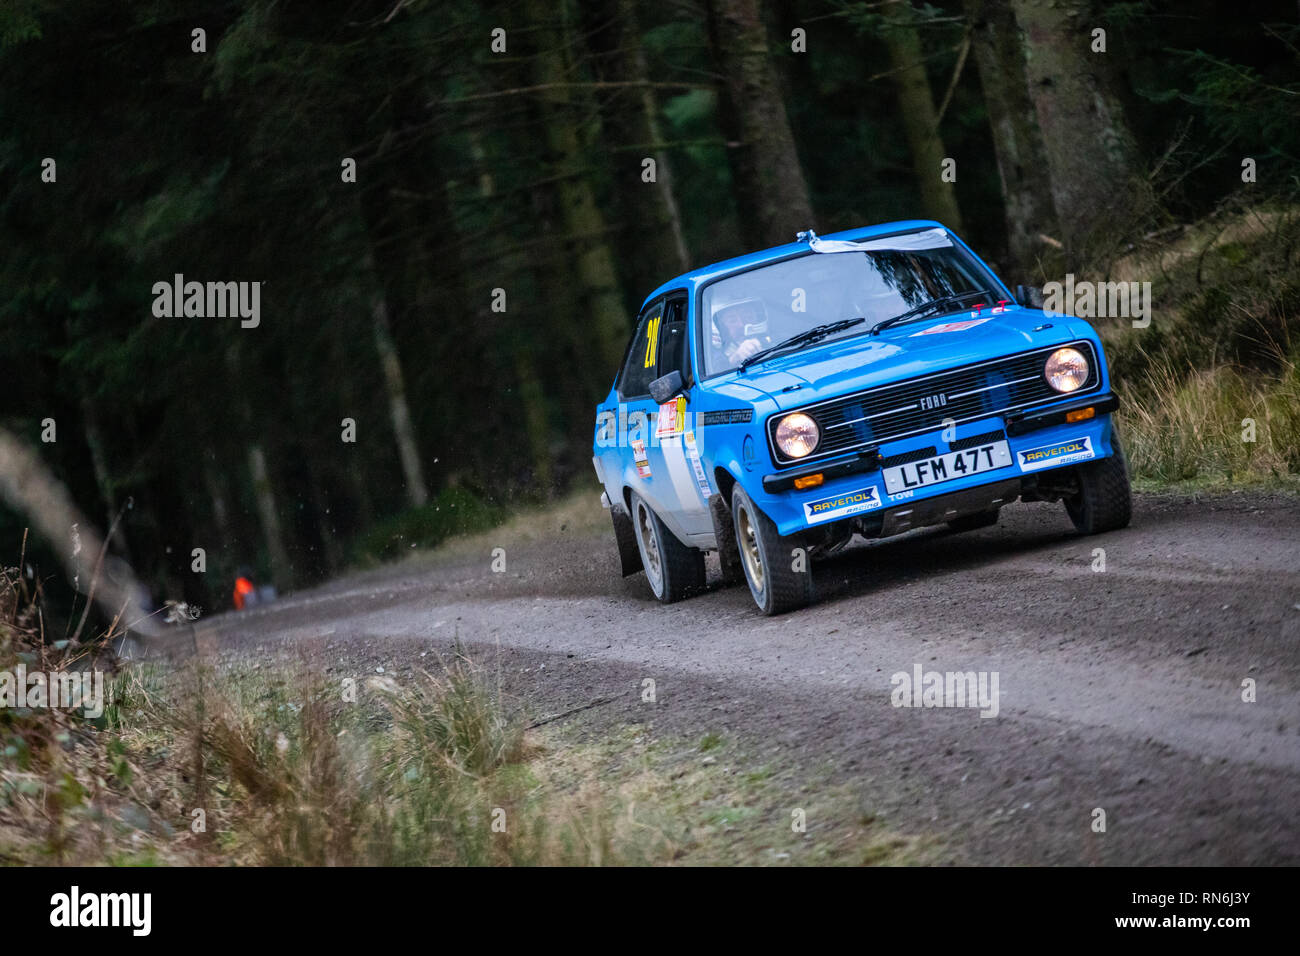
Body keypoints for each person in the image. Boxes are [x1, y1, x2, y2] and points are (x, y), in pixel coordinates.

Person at [714, 298, 771, 366]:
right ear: (723, 328)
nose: (742, 325)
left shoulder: (777, 338)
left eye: (748, 317)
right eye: (732, 321)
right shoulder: (714, 355)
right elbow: (718, 368)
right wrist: (735, 358)